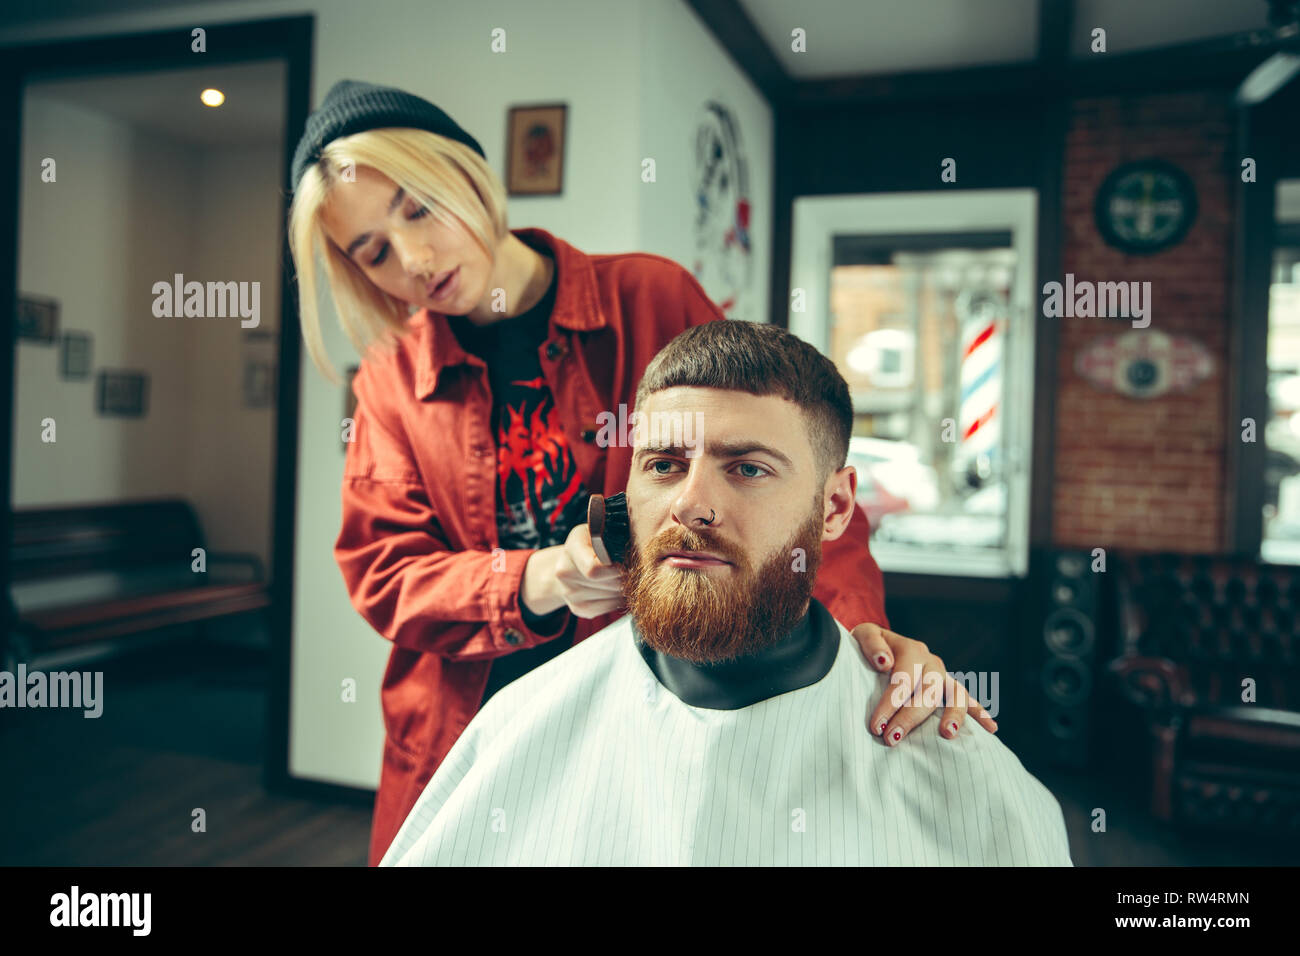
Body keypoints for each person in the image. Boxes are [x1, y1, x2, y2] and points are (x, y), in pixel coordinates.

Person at [287, 80, 1000, 867]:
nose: (414, 260)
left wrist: (863, 637)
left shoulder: (649, 297)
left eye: (419, 209)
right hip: (462, 729)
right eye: (374, 252)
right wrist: (537, 579)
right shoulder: (389, 377)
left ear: (468, 173)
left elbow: (789, 477)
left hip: (644, 723)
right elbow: (385, 572)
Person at [380, 321, 1071, 866]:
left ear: (834, 508)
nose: (690, 505)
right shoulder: (520, 725)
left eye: (747, 469)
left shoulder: (950, 764)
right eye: (663, 465)